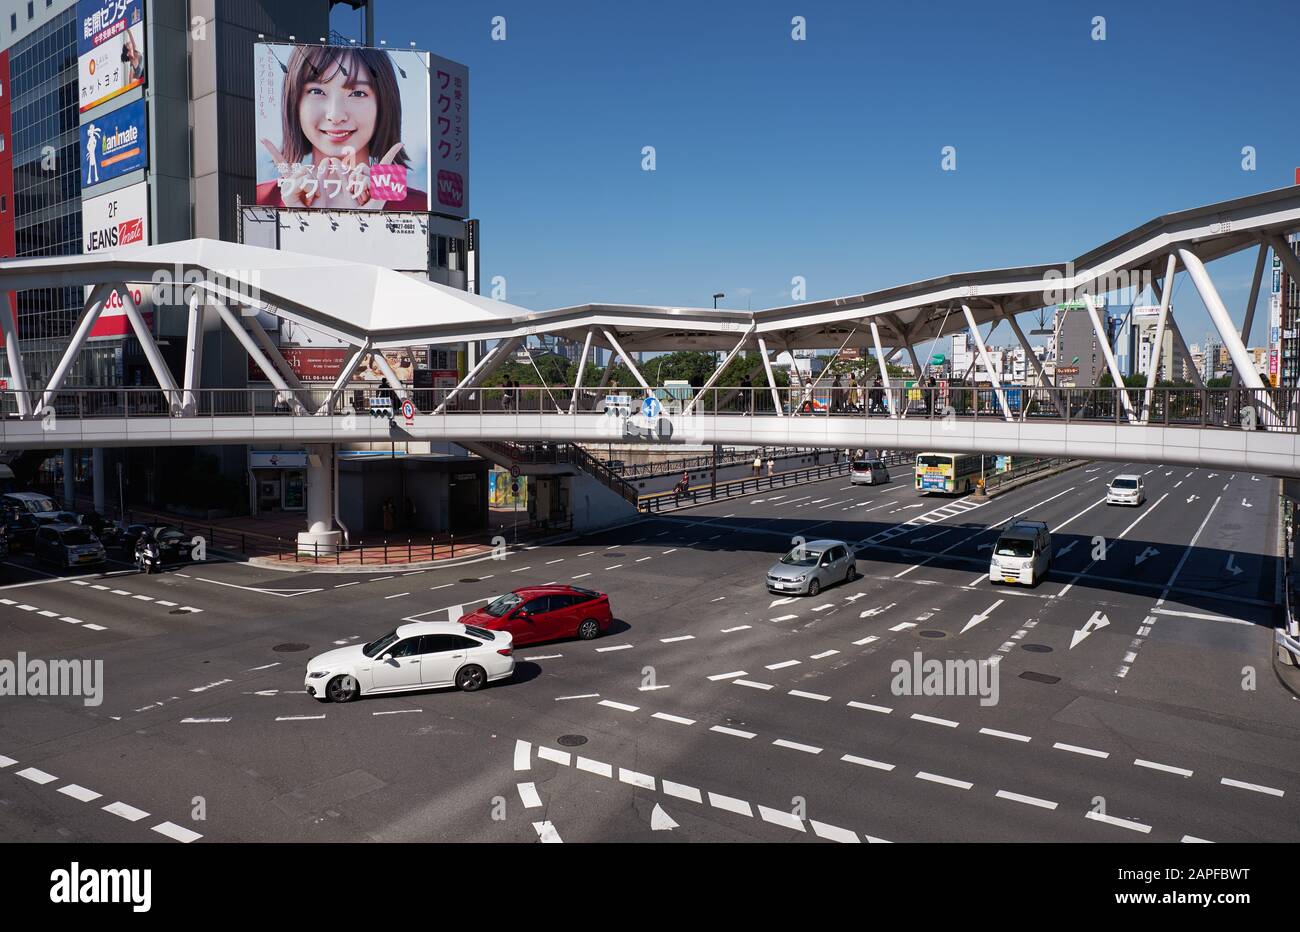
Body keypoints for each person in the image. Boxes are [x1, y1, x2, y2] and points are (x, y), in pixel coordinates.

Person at [257, 45, 427, 211]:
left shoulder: (418, 206)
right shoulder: (261, 200)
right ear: (294, 102)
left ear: (384, 104)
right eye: (316, 91)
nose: (336, 115)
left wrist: (367, 222)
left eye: (358, 93)